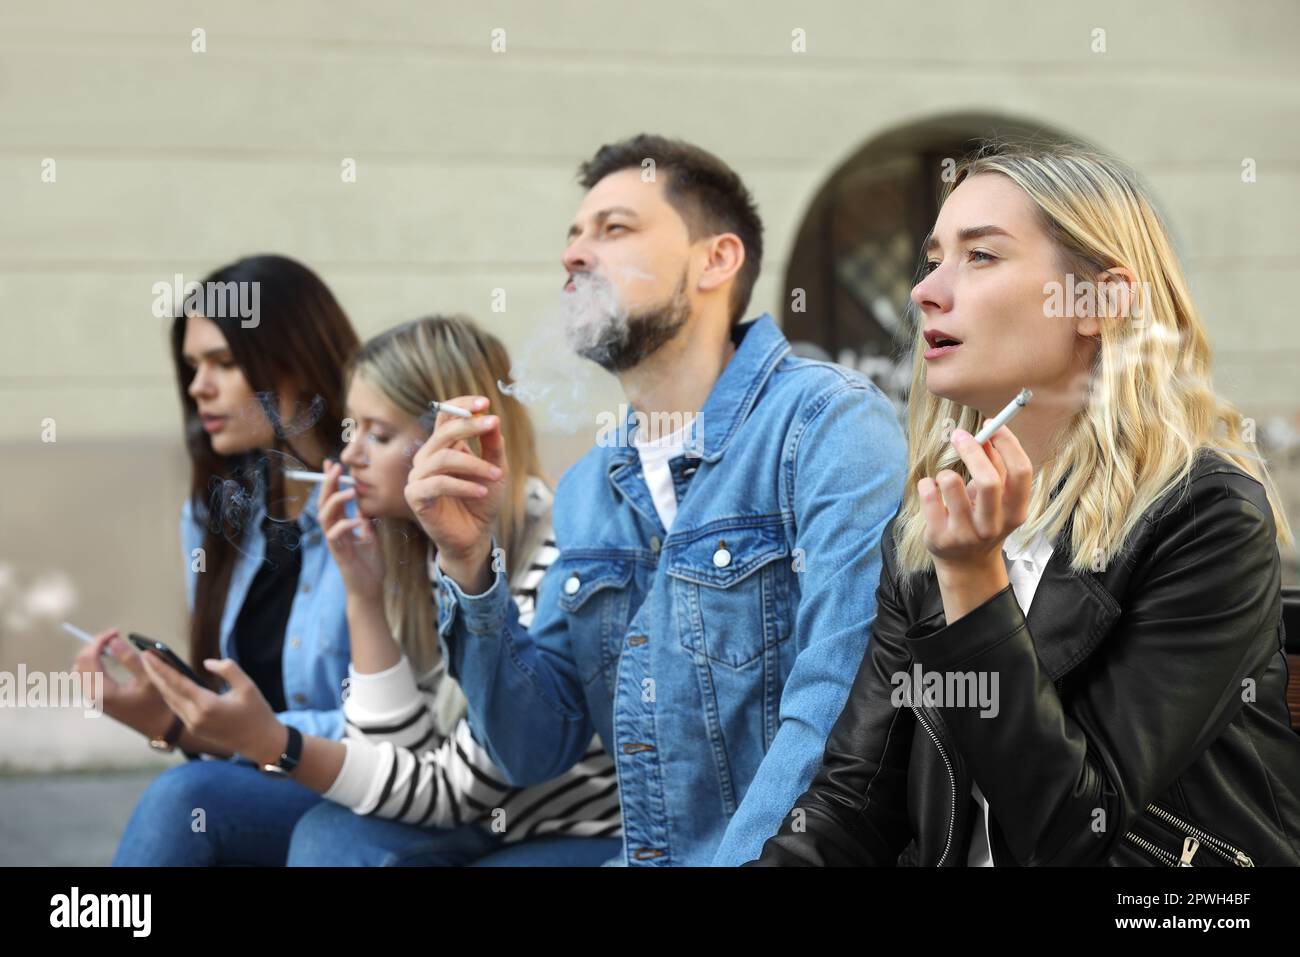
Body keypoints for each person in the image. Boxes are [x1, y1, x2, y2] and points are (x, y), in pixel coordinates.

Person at [749, 142, 1300, 867]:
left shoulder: (1206, 518)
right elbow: (853, 803)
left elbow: (1074, 828)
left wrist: (974, 581)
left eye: (980, 256)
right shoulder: (928, 529)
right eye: (934, 256)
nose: (924, 290)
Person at [409, 133, 908, 865]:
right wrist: (466, 565)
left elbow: (836, 696)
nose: (575, 255)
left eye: (614, 229)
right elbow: (532, 746)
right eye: (574, 236)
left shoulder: (829, 422)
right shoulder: (588, 489)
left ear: (717, 259)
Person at [143, 316, 622, 866]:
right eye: (352, 430)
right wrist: (362, 595)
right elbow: (394, 753)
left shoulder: (554, 555)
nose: (349, 457)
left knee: (333, 842)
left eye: (381, 434)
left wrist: (275, 743)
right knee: (191, 796)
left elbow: (451, 792)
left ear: (457, 444)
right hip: (471, 822)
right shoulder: (410, 547)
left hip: (566, 835)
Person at [74, 254, 360, 865]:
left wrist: (261, 738)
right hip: (270, 787)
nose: (199, 386)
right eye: (193, 366)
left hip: (366, 792)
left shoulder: (379, 512)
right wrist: (171, 722)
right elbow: (237, 737)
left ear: (301, 365)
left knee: (186, 800)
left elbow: (411, 723)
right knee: (191, 796)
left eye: (225, 364)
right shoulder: (215, 515)